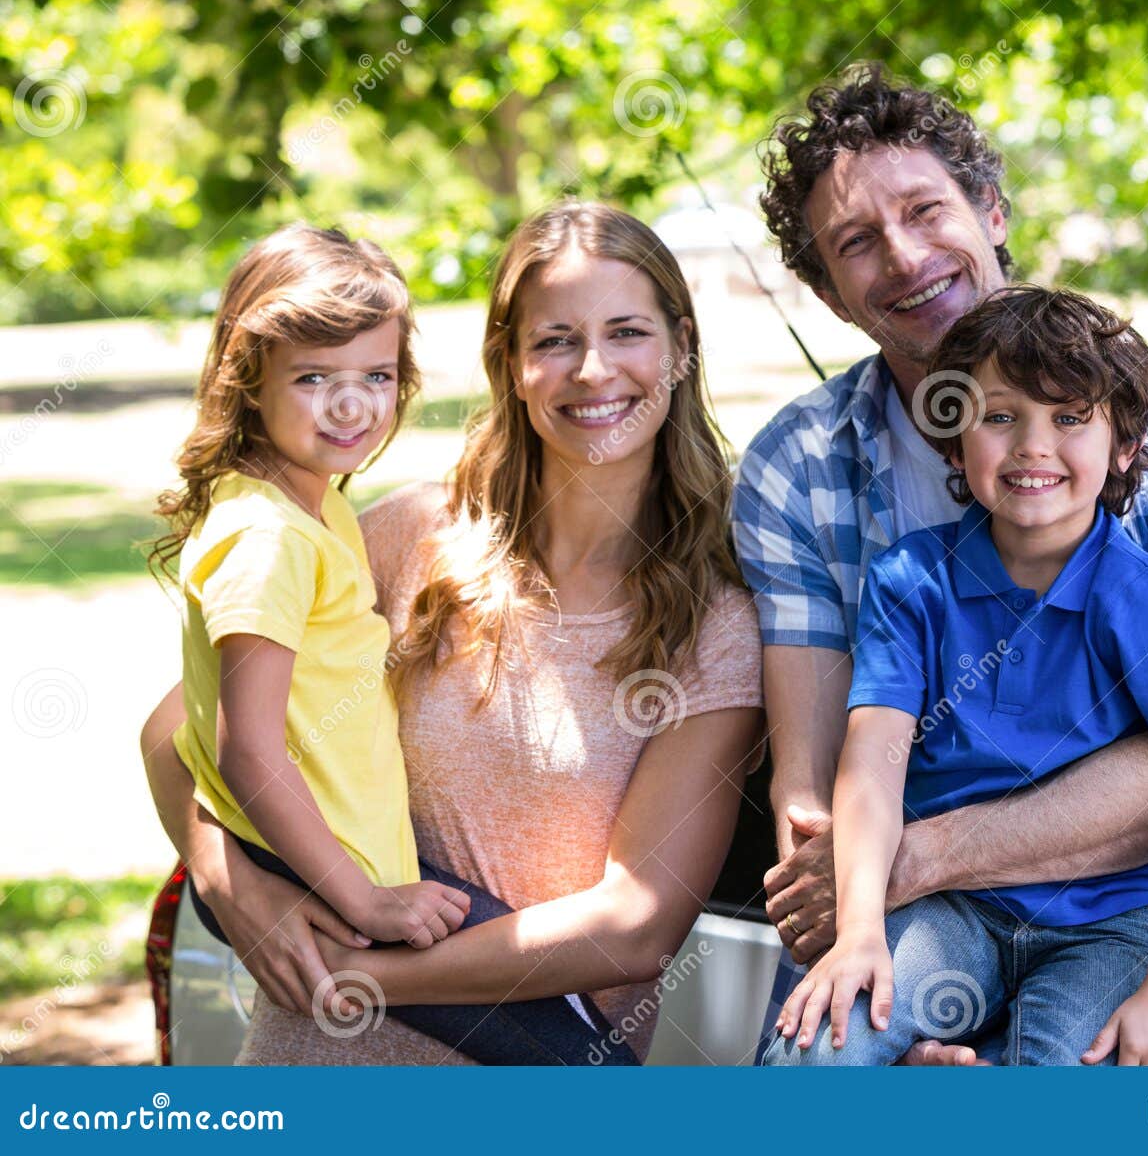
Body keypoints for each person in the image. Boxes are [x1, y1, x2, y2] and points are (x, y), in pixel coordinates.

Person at [735, 63, 1148, 1063]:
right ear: (825, 292)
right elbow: (820, 792)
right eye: (857, 242)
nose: (904, 257)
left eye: (925, 209)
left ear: (990, 209)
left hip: (1117, 935)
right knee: (815, 1060)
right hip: (906, 923)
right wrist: (876, 952)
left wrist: (930, 851)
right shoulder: (804, 476)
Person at [141, 202, 764, 1064]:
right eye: (552, 341)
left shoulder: (713, 620)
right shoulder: (406, 539)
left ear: (681, 349)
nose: (593, 369)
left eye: (627, 332)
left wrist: (359, 968)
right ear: (509, 364)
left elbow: (634, 928)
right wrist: (231, 881)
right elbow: (180, 735)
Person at [761, 287, 1148, 1065]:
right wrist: (860, 930)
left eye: (1070, 418)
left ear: (1124, 445)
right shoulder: (913, 579)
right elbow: (872, 765)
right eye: (1001, 417)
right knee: (818, 1046)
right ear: (954, 443)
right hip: (951, 910)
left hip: (1113, 921)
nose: (1034, 445)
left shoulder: (1143, 593)